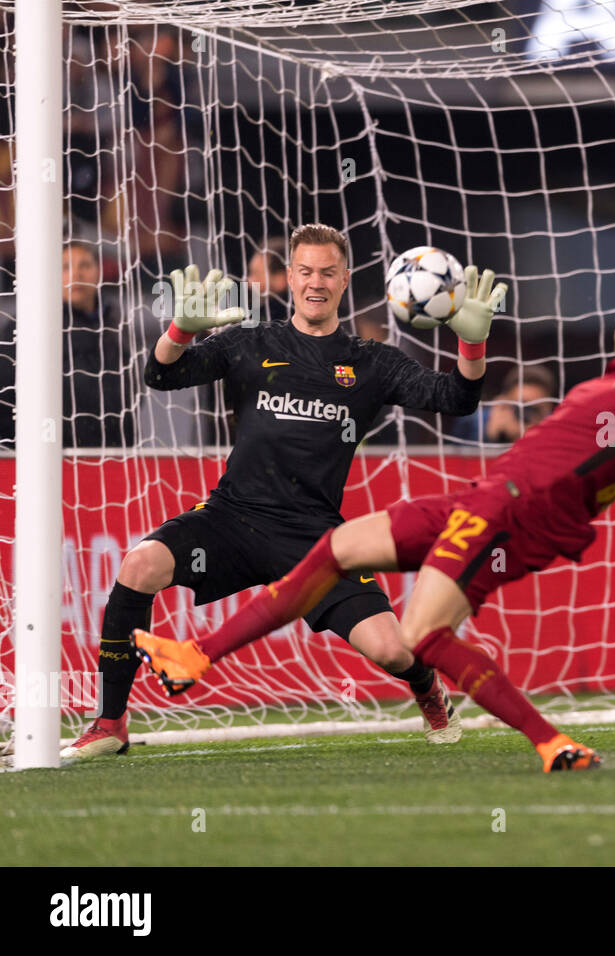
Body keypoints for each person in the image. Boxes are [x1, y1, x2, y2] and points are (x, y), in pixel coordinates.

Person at [132, 268, 615, 772]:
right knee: (340, 547)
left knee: (420, 636)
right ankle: (197, 654)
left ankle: (551, 741)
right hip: (482, 497)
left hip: (512, 512)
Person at [62, 224, 501, 759]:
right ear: (291, 277)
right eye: (306, 271)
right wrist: (178, 330)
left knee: (391, 650)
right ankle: (111, 724)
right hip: (233, 519)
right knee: (139, 565)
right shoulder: (249, 343)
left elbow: (456, 397)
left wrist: (472, 342)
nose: (316, 282)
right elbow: (161, 376)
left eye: (328, 273)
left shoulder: (372, 362)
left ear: (344, 280)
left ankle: (428, 691)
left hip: (315, 538)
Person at [63, 242, 133, 448]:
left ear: (98, 271)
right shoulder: (30, 328)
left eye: (84, 265)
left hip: (117, 446)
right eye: (66, 267)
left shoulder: (115, 320)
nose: (76, 274)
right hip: (63, 450)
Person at [451, 364, 558, 444]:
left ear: (549, 407)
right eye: (521, 405)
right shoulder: (477, 421)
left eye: (534, 408)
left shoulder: (557, 428)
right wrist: (488, 435)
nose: (527, 414)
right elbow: (454, 453)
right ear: (506, 401)